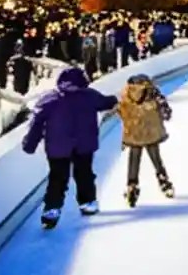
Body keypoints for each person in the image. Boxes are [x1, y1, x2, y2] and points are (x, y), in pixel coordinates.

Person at [21, 67, 119, 229]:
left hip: (58, 147)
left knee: (57, 178)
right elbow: (107, 102)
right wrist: (119, 98)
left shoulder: (49, 100)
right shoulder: (89, 96)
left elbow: (36, 124)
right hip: (84, 145)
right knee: (84, 174)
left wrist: (30, 144)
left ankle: (52, 209)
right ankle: (87, 202)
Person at [116, 74, 175, 207]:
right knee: (155, 157)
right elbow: (166, 111)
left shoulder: (126, 93)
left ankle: (132, 185)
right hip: (151, 132)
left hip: (134, 133)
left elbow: (121, 111)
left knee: (134, 158)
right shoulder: (153, 92)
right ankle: (164, 181)